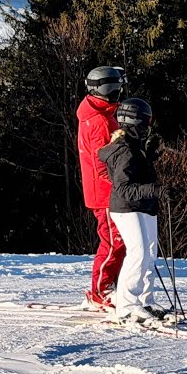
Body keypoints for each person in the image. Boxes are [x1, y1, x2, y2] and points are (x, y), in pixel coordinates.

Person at [99, 98, 164, 322]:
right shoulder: (124, 150)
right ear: (134, 122)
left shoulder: (134, 145)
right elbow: (124, 188)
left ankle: (146, 300)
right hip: (127, 207)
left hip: (143, 206)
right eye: (145, 123)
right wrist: (156, 190)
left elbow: (138, 170)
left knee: (150, 253)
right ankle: (126, 304)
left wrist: (150, 155)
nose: (148, 128)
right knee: (138, 253)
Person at [77, 66, 127, 311]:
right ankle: (100, 292)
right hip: (105, 192)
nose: (120, 91)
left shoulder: (103, 112)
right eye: (117, 86)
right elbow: (101, 164)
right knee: (113, 242)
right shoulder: (97, 121)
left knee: (121, 241)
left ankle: (112, 287)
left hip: (111, 190)